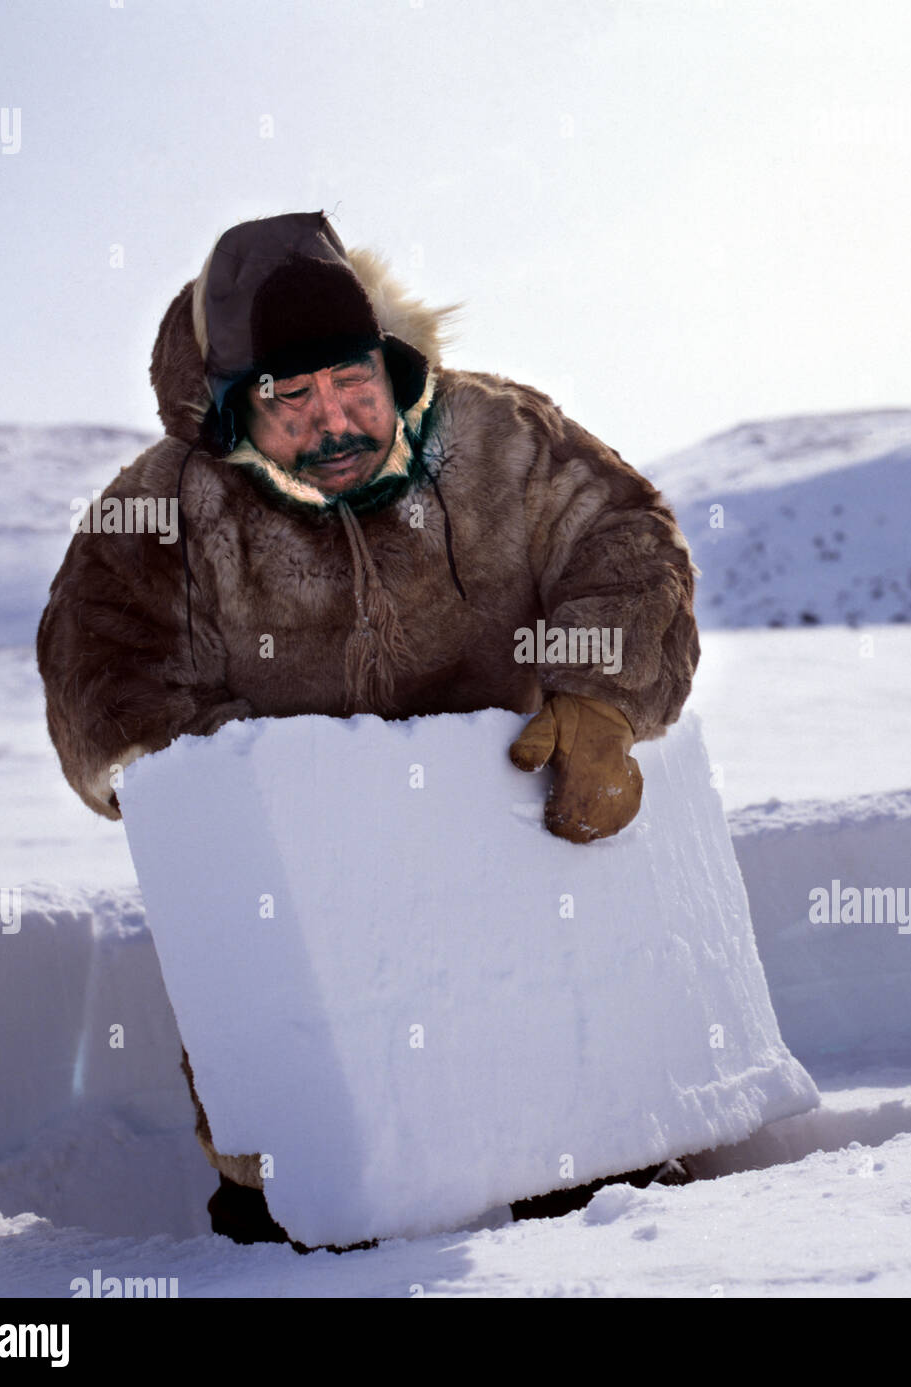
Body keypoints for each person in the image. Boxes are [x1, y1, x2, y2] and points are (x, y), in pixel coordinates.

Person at [37, 210, 701, 1245]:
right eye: (288, 400)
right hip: (303, 937)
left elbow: (621, 541)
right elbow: (102, 679)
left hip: (522, 868)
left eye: (353, 384)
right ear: (226, 413)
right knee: (318, 1216)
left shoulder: (503, 440)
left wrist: (597, 695)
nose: (333, 421)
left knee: (598, 1196)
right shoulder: (159, 511)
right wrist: (246, 793)